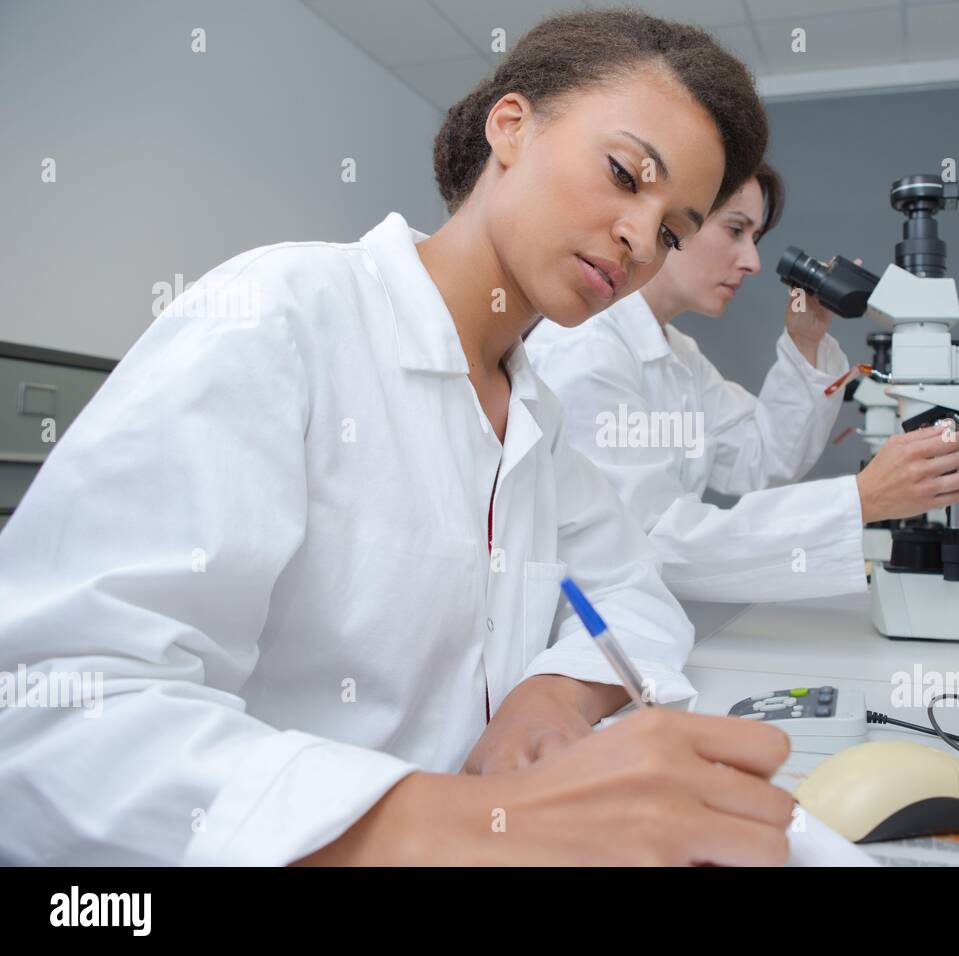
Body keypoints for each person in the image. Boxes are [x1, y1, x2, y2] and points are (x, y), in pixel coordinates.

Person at [0, 9, 796, 867]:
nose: (643, 240)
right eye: (624, 173)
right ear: (512, 128)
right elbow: (53, 716)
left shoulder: (535, 418)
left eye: (675, 229)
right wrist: (466, 828)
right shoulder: (286, 317)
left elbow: (634, 598)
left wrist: (550, 700)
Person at [527, 164, 959, 603]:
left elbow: (761, 456)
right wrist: (861, 499)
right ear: (670, 221)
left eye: (755, 239)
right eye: (735, 230)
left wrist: (805, 339)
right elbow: (653, 542)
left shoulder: (677, 354)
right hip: (580, 642)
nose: (753, 262)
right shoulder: (586, 352)